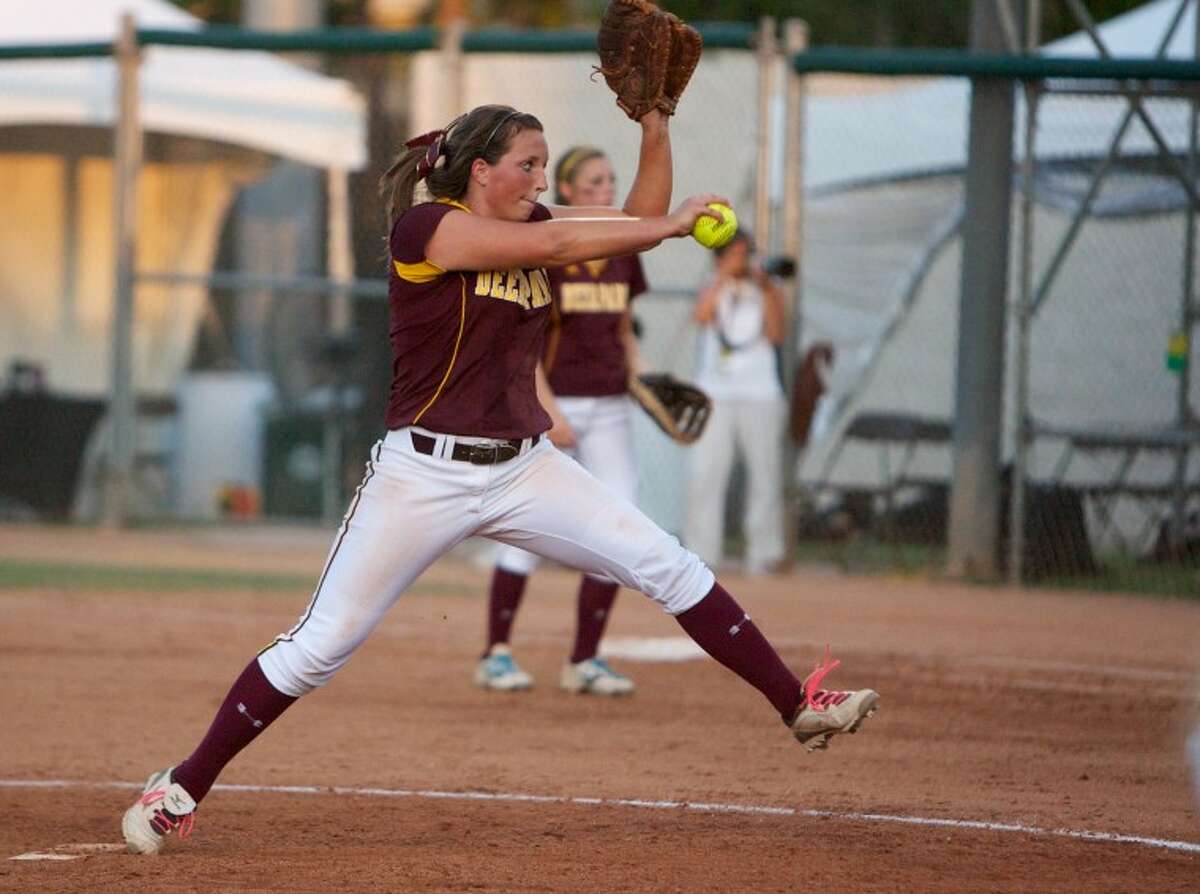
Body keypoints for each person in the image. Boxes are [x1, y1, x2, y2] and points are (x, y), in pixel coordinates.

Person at [121, 103, 879, 855]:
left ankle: (798, 704)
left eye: (545, 165)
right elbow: (562, 239)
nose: (540, 178)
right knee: (321, 646)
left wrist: (656, 130)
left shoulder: (529, 223)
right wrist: (672, 225)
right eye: (527, 164)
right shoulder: (426, 229)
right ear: (479, 170)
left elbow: (629, 219)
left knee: (665, 562)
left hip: (523, 466)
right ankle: (180, 785)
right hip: (422, 473)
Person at [477, 145, 647, 697]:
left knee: (619, 527)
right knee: (529, 529)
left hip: (612, 405)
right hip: (555, 404)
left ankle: (585, 658)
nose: (607, 191)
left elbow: (623, 326)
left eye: (611, 180)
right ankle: (496, 652)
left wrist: (643, 380)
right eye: (595, 183)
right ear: (570, 192)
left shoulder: (622, 247)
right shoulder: (550, 247)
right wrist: (546, 409)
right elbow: (521, 341)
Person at [684, 232, 788, 574]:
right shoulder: (710, 284)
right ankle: (702, 551)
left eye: (748, 254)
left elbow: (776, 335)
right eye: (739, 255)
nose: (745, 261)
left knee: (765, 473)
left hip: (760, 391)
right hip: (716, 392)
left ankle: (764, 551)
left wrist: (768, 289)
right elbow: (700, 317)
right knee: (706, 472)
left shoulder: (766, 289)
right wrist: (722, 279)